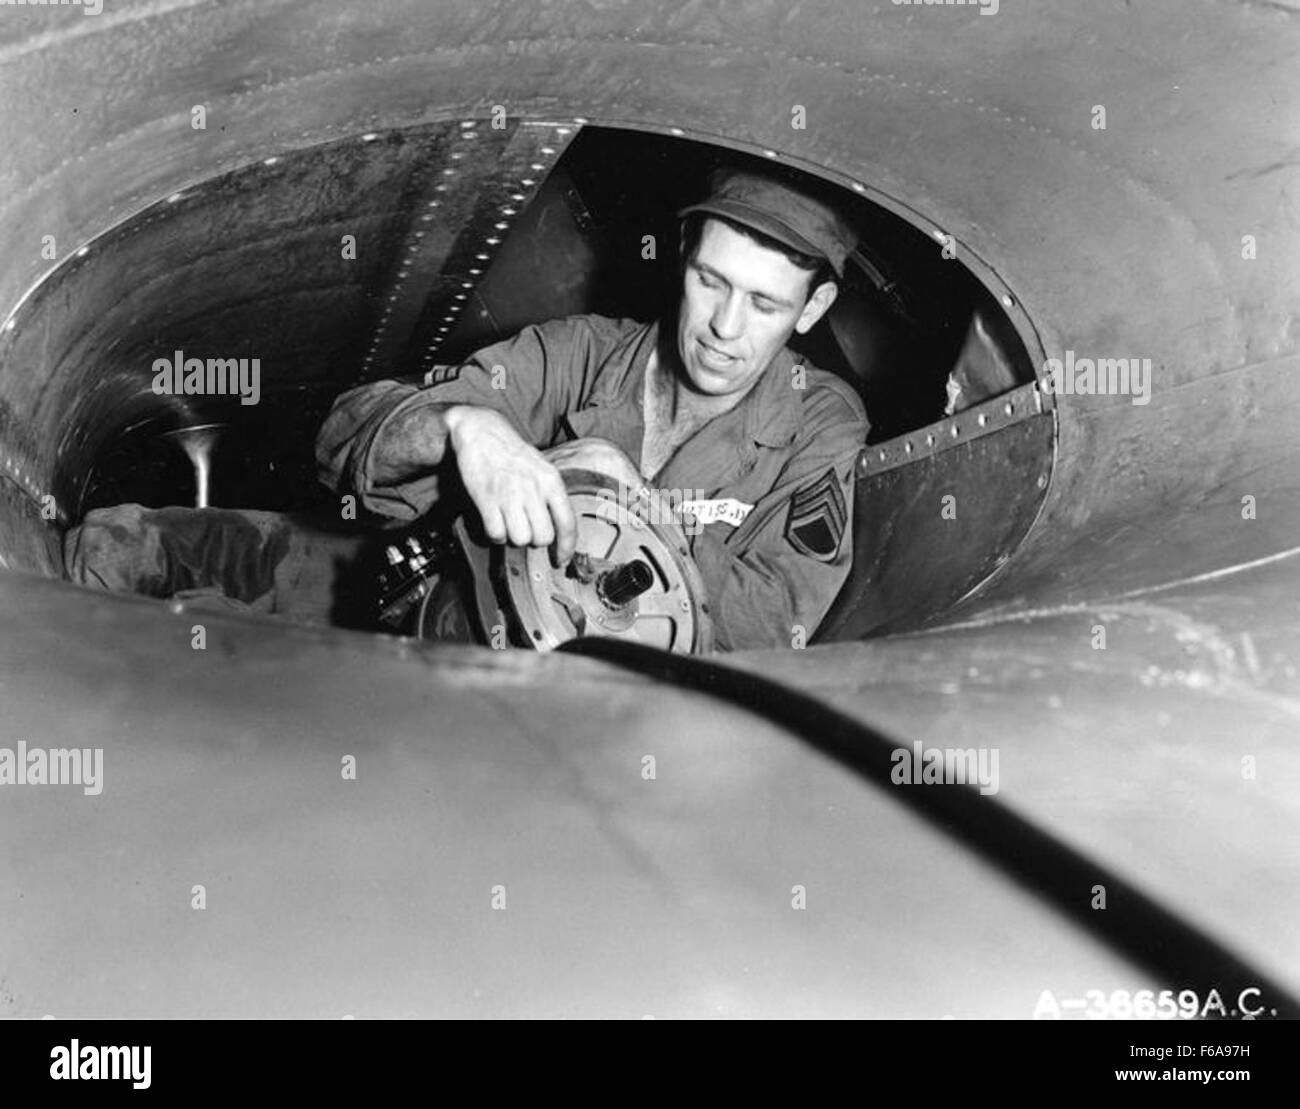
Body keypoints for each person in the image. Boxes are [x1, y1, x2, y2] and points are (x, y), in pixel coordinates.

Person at [317, 169, 869, 650]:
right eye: (710, 280)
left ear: (812, 308)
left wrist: (641, 507)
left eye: (763, 303)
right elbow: (341, 440)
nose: (725, 326)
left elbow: (774, 628)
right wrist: (462, 426)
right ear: (682, 257)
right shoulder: (578, 353)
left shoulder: (820, 425)